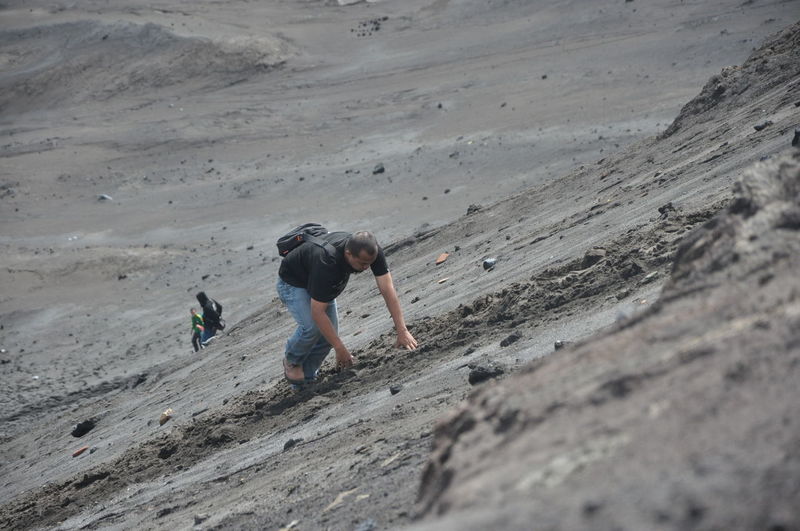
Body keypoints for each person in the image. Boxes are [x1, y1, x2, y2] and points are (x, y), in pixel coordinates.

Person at [276, 230, 417, 385]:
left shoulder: (371, 252)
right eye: (363, 263)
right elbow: (317, 312)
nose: (366, 268)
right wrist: (340, 348)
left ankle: (306, 381)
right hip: (293, 282)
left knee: (329, 336)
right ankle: (292, 360)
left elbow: (387, 289)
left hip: (317, 278)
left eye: (369, 263)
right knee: (313, 328)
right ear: (348, 254)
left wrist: (402, 330)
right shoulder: (329, 263)